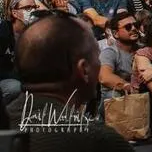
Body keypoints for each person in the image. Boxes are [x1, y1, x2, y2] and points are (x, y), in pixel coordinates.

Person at [6, 12, 134, 152]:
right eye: (96, 57)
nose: (99, 63)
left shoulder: (6, 123)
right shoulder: (98, 140)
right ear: (84, 70)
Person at [98, 11, 138, 105]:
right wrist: (129, 87)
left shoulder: (143, 49)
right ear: (116, 34)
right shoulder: (109, 52)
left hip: (139, 97)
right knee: (114, 95)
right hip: (116, 101)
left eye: (136, 25)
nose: (134, 28)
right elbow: (105, 77)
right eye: (128, 27)